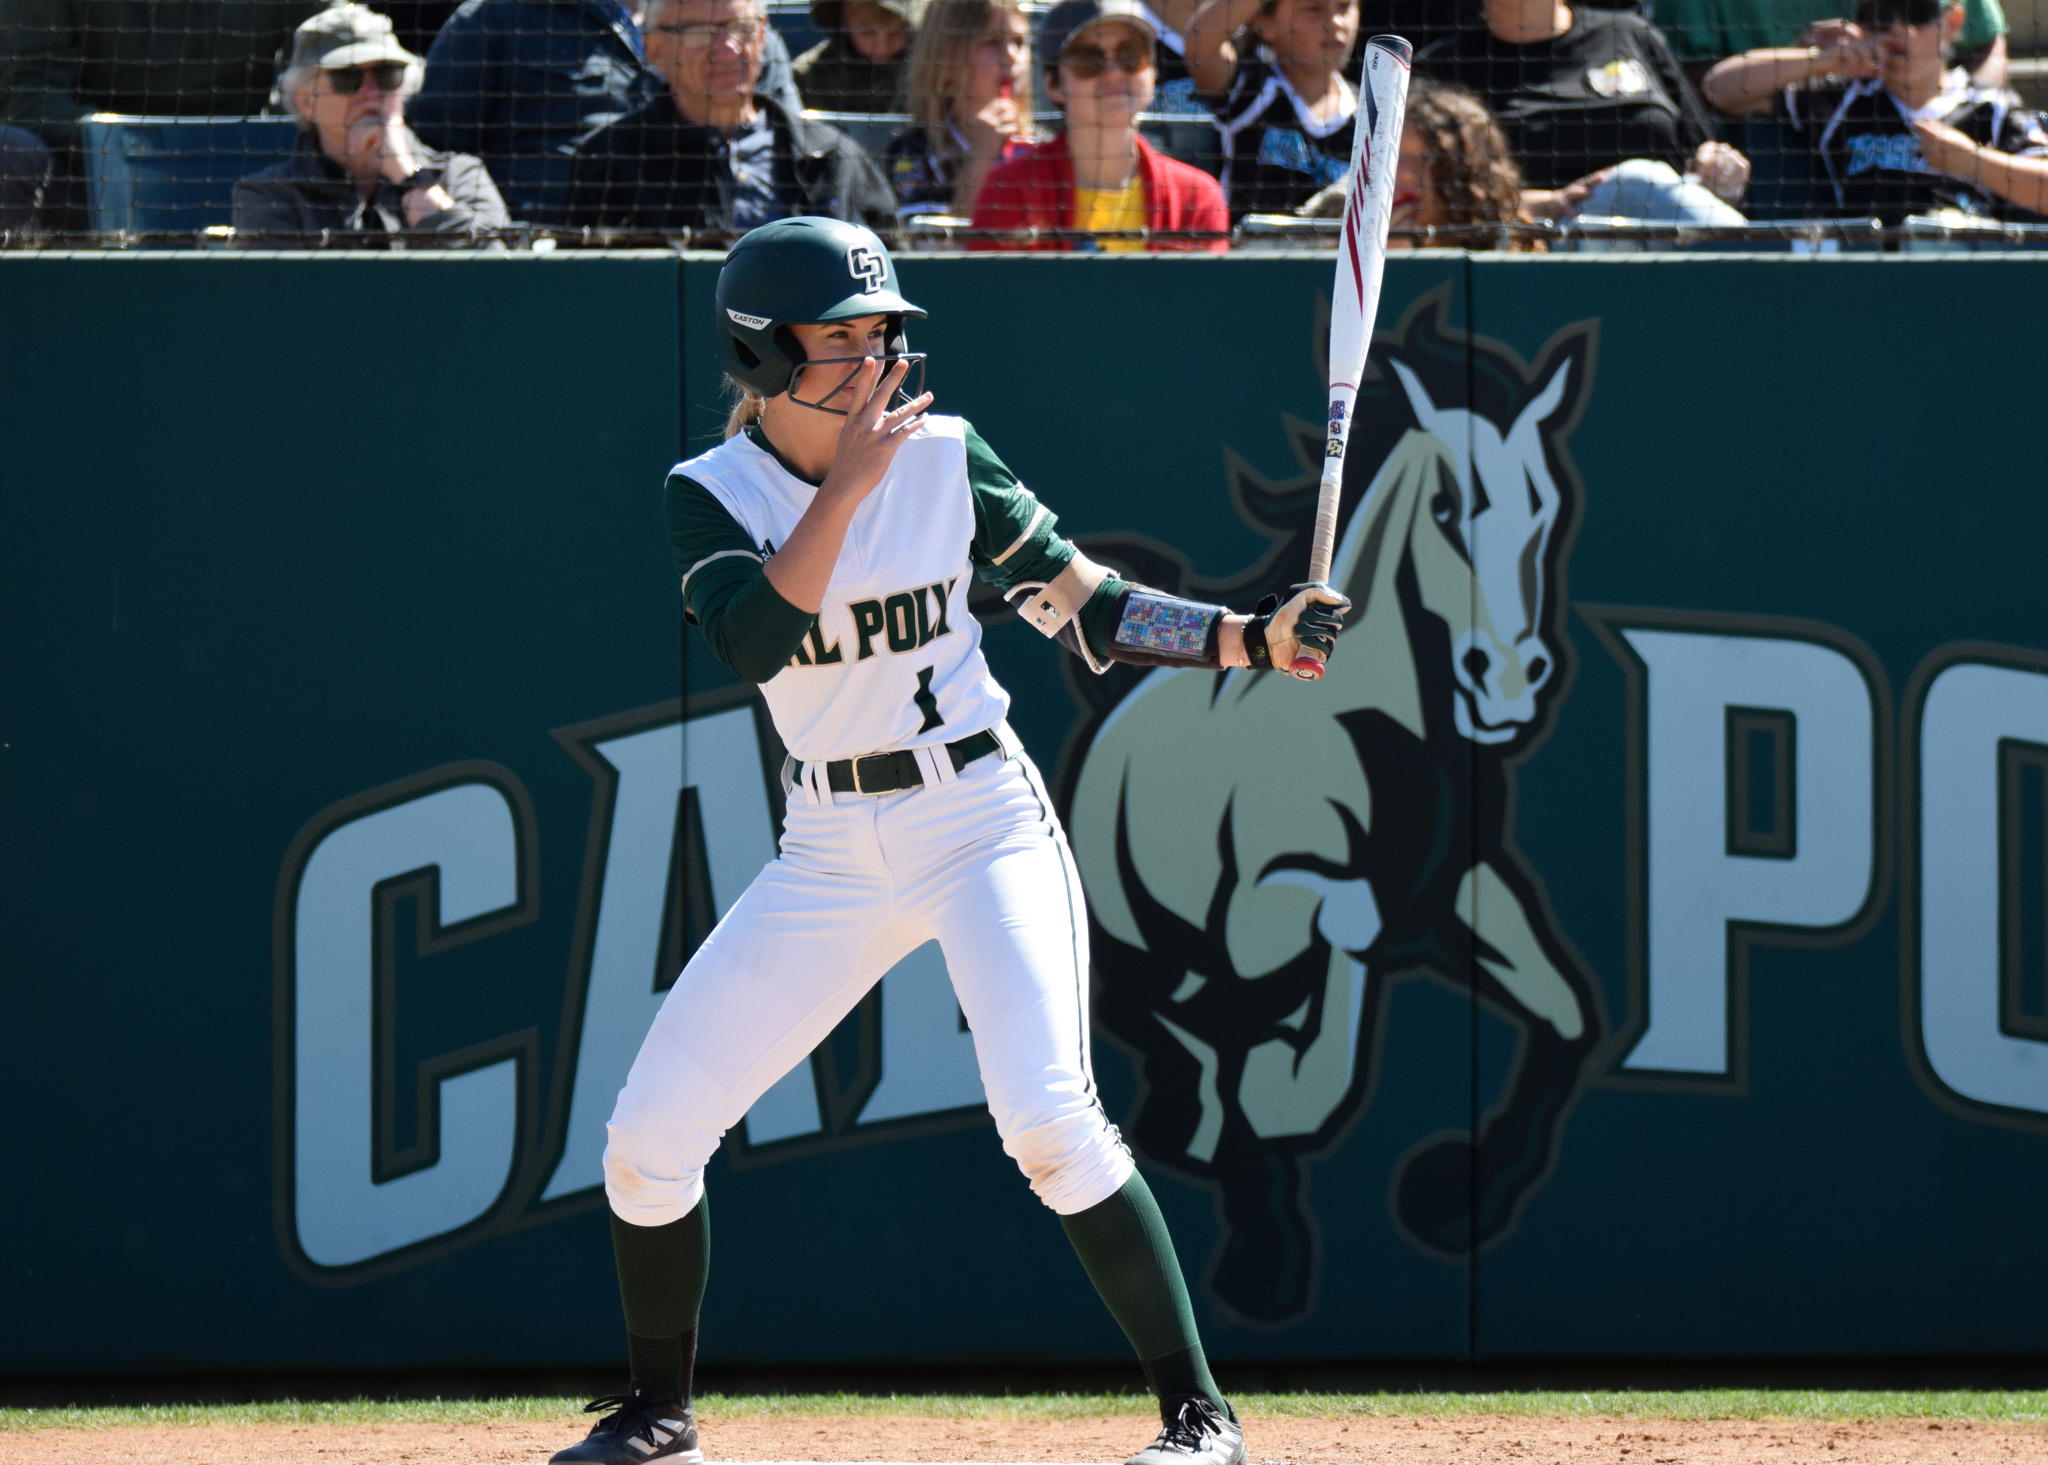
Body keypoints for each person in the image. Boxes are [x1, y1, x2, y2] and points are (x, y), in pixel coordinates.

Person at [547, 212, 1345, 1465]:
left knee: (1046, 1117)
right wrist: (850, 485)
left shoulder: (946, 458)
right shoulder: (706, 495)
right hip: (826, 841)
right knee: (647, 1142)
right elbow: (757, 642)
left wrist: (1250, 636)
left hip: (976, 814)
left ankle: (1200, 1417)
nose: (874, 360)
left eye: (884, 333)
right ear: (759, 359)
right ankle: (659, 1413)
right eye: (841, 338)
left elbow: (1086, 605)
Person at [408, 0, 803, 223]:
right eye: (699, 35)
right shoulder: (494, 19)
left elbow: (795, 149)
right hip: (544, 258)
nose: (725, 46)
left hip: (719, 246)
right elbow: (436, 151)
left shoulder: (743, 30)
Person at [1700, 0, 2048, 221]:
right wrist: (1822, 61)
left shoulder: (1991, 107)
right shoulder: (1845, 99)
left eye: (1918, 11)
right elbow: (1719, 88)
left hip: (1965, 268)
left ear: (1953, 21)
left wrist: (1973, 162)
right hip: (1867, 273)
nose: (1898, 28)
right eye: (1883, 13)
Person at [564, 0, 892, 232]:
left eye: (741, 27)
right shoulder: (608, 162)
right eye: (699, 31)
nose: (728, 47)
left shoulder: (833, 157)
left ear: (763, 35)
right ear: (655, 49)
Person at [1417, 0, 1752, 225]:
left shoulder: (1630, 33)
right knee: (1635, 181)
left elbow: (1702, 148)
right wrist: (1547, 202)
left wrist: (1720, 169)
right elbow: (1437, 200)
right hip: (1543, 249)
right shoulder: (1442, 71)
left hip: (1669, 238)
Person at [969, 0, 1230, 250]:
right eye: (1088, 59)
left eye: (1130, 54)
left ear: (1153, 70)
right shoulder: (1010, 191)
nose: (1114, 72)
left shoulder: (1198, 198)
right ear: (1053, 85)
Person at [234, 5, 509, 240]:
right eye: (348, 77)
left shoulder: (461, 176)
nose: (372, 92)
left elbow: (493, 274)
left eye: (387, 74)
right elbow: (292, 294)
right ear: (307, 101)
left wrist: (409, 177)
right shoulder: (268, 195)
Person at [1183, 0, 1360, 218]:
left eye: (1344, 7)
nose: (1335, 22)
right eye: (1313, 9)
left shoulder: (1370, 116)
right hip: (1247, 250)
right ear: (1264, 24)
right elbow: (1199, 41)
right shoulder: (1250, 87)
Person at [886, 0, 1035, 220]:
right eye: (992, 42)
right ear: (945, 62)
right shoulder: (913, 151)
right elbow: (927, 247)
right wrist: (981, 158)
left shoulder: (1041, 146)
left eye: (1019, 42)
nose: (1013, 56)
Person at [1651, 0, 2006, 86]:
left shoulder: (1991, 116)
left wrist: (1957, 107)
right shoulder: (1810, 109)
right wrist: (1804, 62)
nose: (1897, 26)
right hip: (1779, 155)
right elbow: (1704, 85)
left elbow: (1987, 42)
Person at [792, 0, 925, 110]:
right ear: (841, 22)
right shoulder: (808, 75)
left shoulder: (929, 70)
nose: (883, 46)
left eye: (897, 31)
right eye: (867, 32)